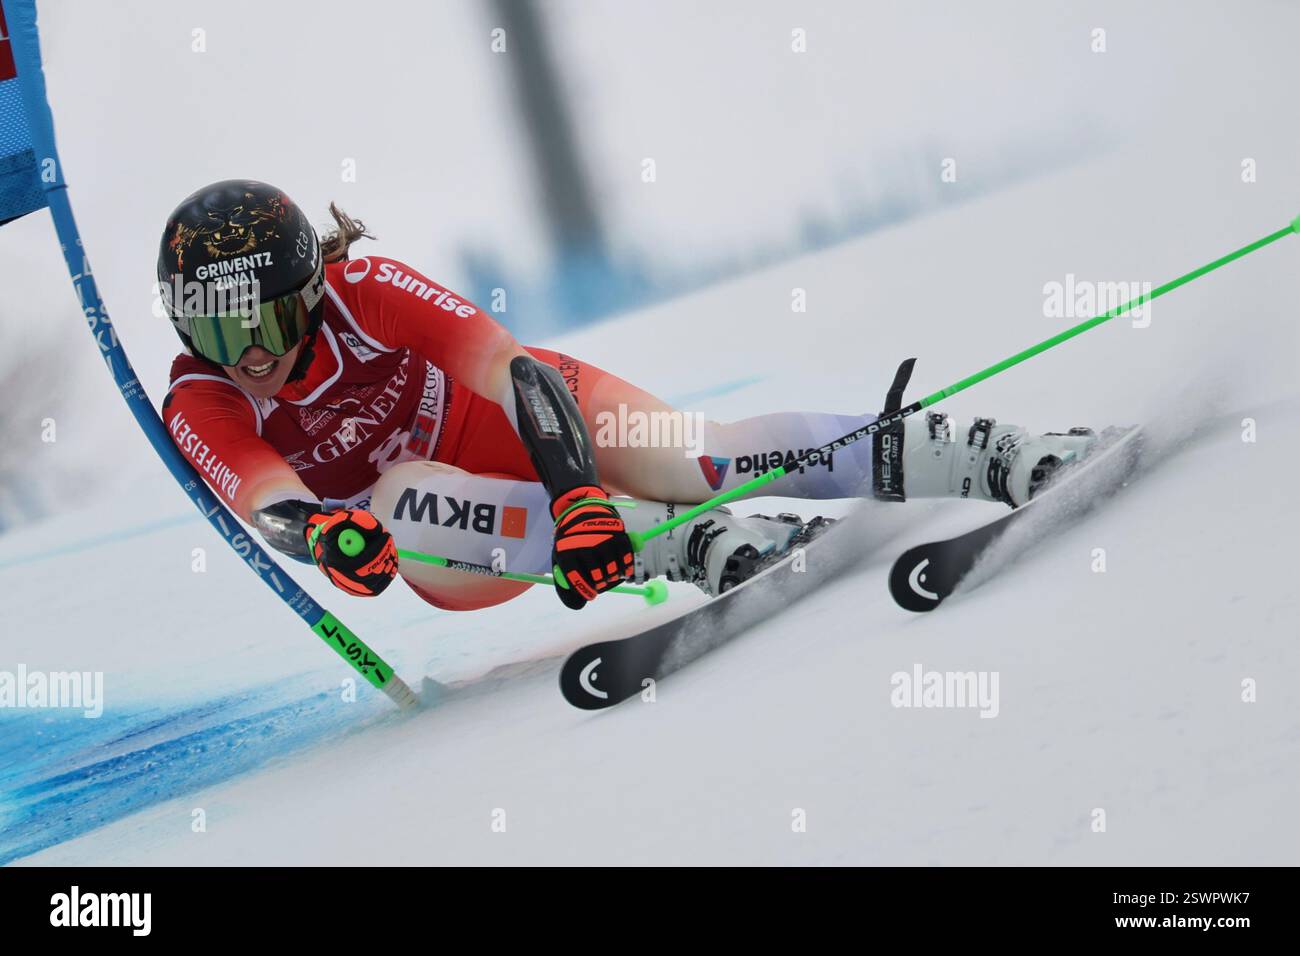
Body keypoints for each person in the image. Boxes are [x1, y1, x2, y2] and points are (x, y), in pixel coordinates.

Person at [159, 180, 1099, 611]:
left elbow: (517, 373)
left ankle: (988, 451)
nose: (242, 355)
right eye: (210, 328)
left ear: (308, 295)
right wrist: (329, 537)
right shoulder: (202, 398)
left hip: (520, 421)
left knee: (702, 458)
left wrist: (573, 501)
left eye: (259, 325)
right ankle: (694, 546)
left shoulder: (369, 291)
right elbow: (270, 506)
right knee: (399, 504)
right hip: (456, 535)